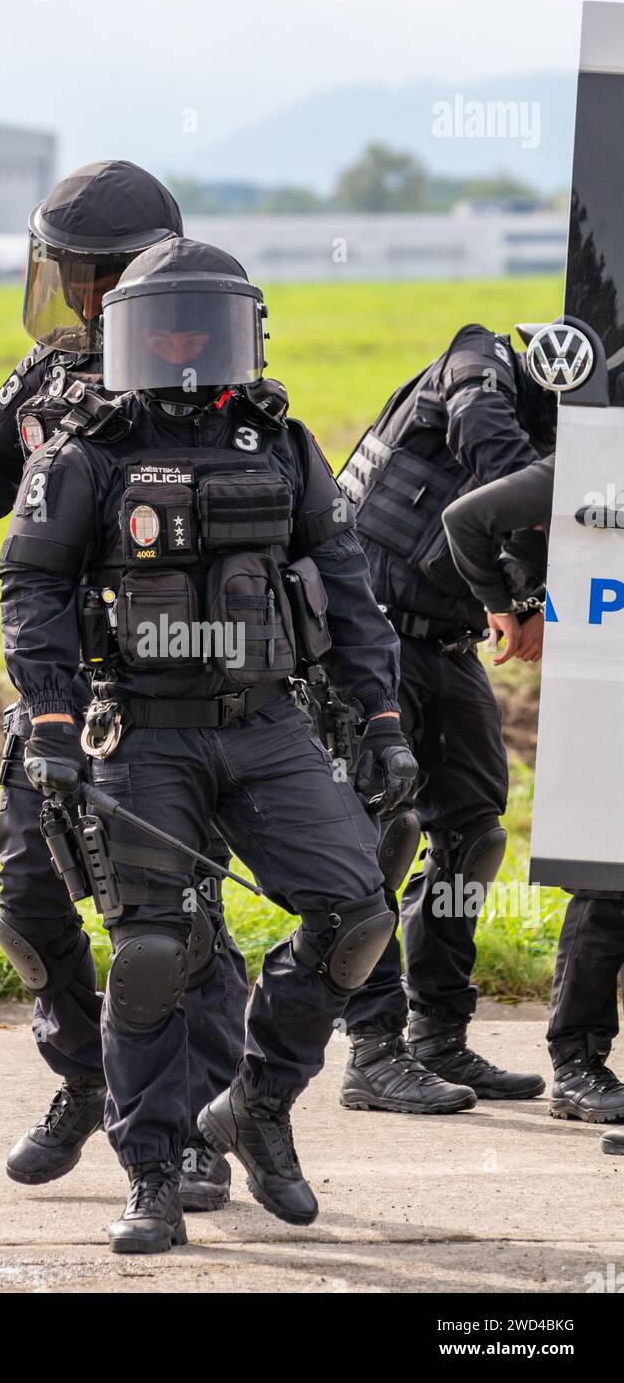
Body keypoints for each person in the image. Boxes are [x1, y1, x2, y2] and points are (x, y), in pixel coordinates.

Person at [0, 236, 418, 1253]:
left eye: (207, 327)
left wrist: (380, 722)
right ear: (128, 337)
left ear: (244, 334)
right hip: (140, 729)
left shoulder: (279, 444)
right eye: (167, 328)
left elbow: (347, 590)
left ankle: (258, 1105)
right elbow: (32, 587)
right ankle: (150, 1171)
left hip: (266, 723)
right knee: (152, 951)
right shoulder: (85, 448)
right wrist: (51, 721)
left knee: (357, 915)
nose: (187, 349)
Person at [0, 161, 253, 1211]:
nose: (76, 300)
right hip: (48, 692)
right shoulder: (43, 376)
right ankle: (87, 1080)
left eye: (95, 278)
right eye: (65, 276)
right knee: (27, 907)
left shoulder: (196, 381)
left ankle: (199, 1122)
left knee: (175, 921)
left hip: (162, 694)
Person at [335, 322, 554, 1113]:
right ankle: (372, 1050)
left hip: (446, 643)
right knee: (379, 839)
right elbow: (492, 450)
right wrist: (524, 593)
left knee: (473, 831)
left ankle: (438, 1035)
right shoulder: (480, 360)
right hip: (368, 638)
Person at [442, 445, 624, 1139]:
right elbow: (467, 519)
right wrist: (511, 607)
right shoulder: (594, 454)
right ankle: (577, 1064)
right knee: (610, 881)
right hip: (608, 691)